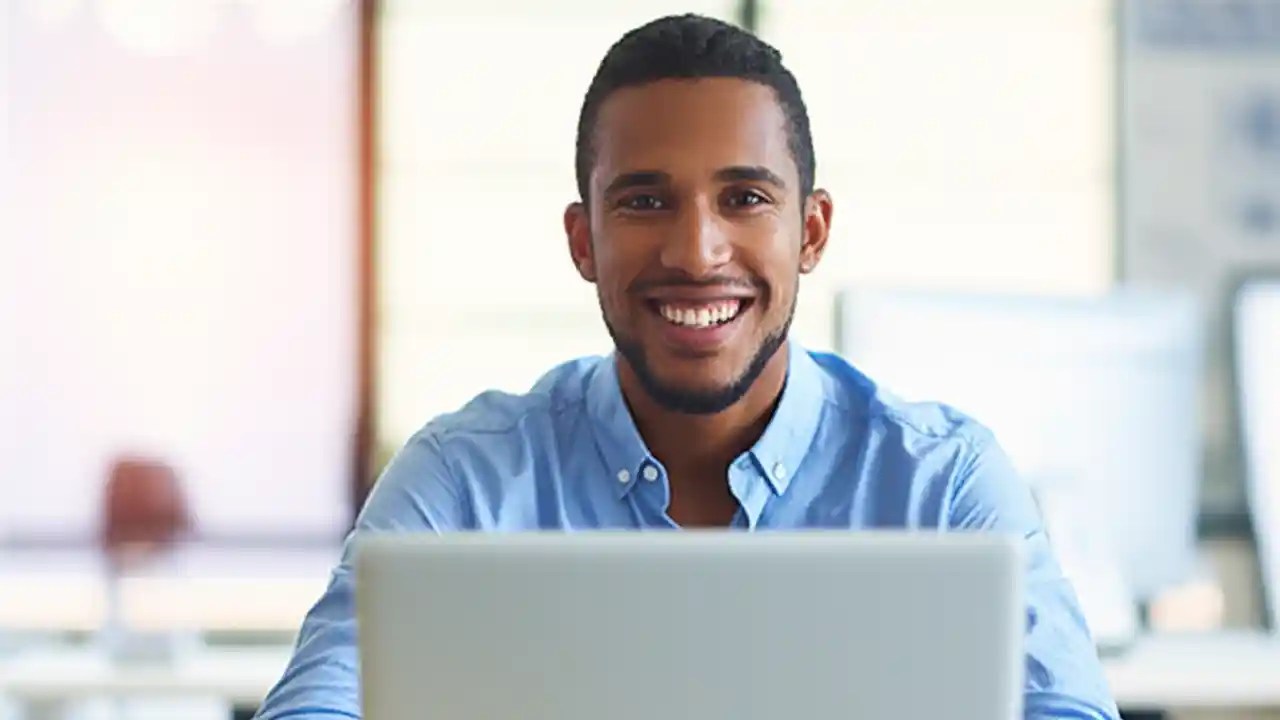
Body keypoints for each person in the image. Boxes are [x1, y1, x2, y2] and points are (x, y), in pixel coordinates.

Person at [255, 13, 1118, 720]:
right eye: (644, 200)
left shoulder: (944, 481)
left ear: (810, 232)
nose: (697, 251)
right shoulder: (464, 479)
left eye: (745, 199)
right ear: (583, 241)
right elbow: (315, 708)